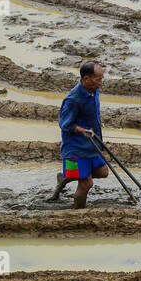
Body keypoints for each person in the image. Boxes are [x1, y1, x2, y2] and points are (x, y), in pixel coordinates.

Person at [46, 61, 110, 207]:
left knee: (103, 172)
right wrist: (82, 130)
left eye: (102, 78)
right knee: (86, 184)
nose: (101, 82)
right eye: (98, 79)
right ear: (86, 79)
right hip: (75, 148)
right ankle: (77, 213)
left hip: (92, 145)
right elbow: (64, 124)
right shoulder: (73, 100)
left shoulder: (94, 90)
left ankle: (65, 177)